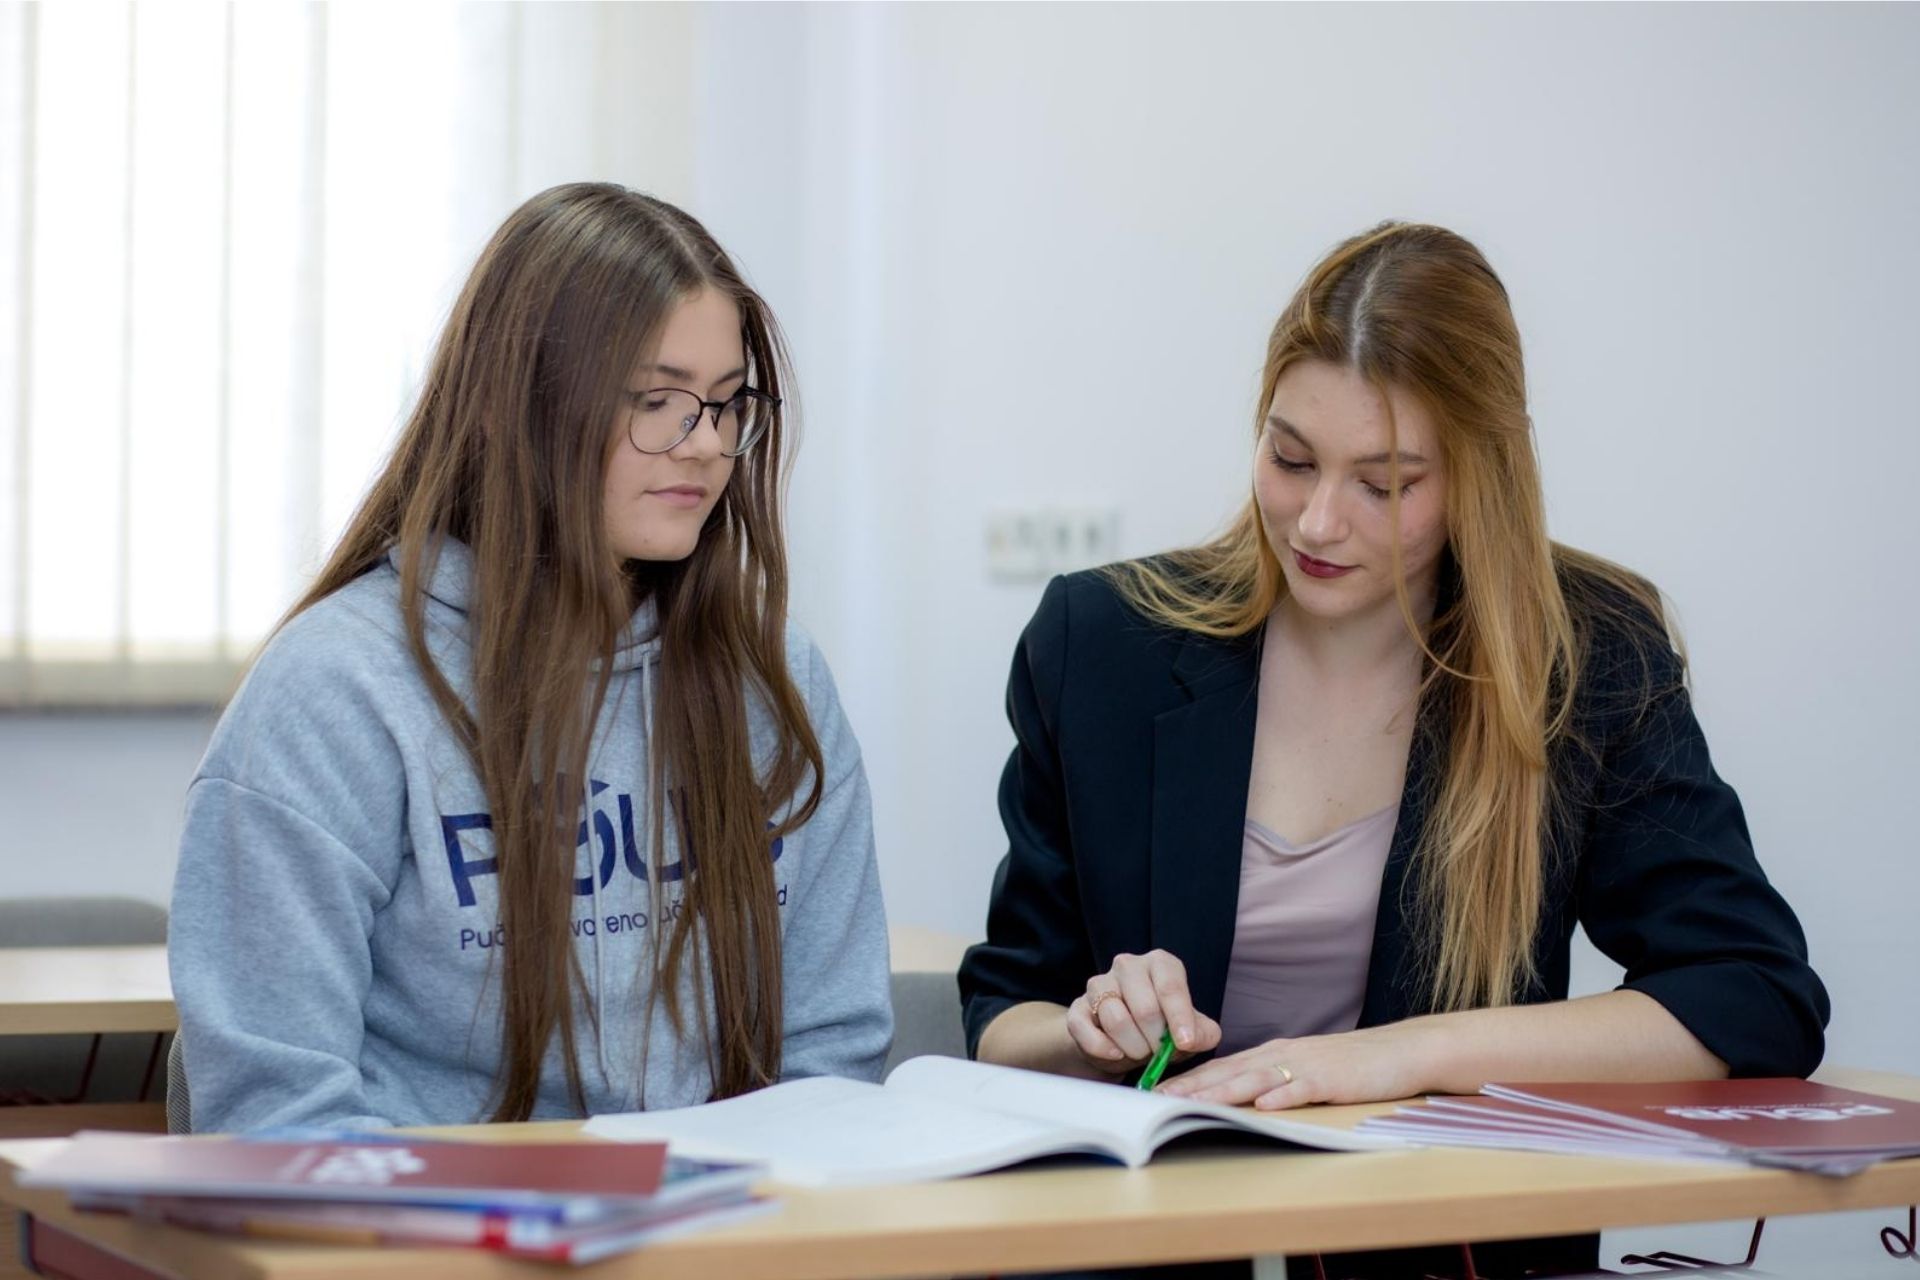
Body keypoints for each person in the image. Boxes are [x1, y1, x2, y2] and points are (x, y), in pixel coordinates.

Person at [958, 222, 1827, 1279]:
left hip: (1438, 1247)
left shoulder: (1587, 659)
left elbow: (1754, 992)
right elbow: (1002, 1018)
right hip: (1148, 1247)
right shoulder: (1100, 643)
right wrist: (1091, 1025)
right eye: (1290, 458)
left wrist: (1390, 1056)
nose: (1318, 520)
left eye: (1387, 482)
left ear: (1478, 477)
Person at [170, 183, 890, 1133]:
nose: (706, 445)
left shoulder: (775, 681)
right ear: (529, 406)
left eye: (724, 405)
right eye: (657, 400)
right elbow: (275, 1118)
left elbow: (832, 1067)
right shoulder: (336, 692)